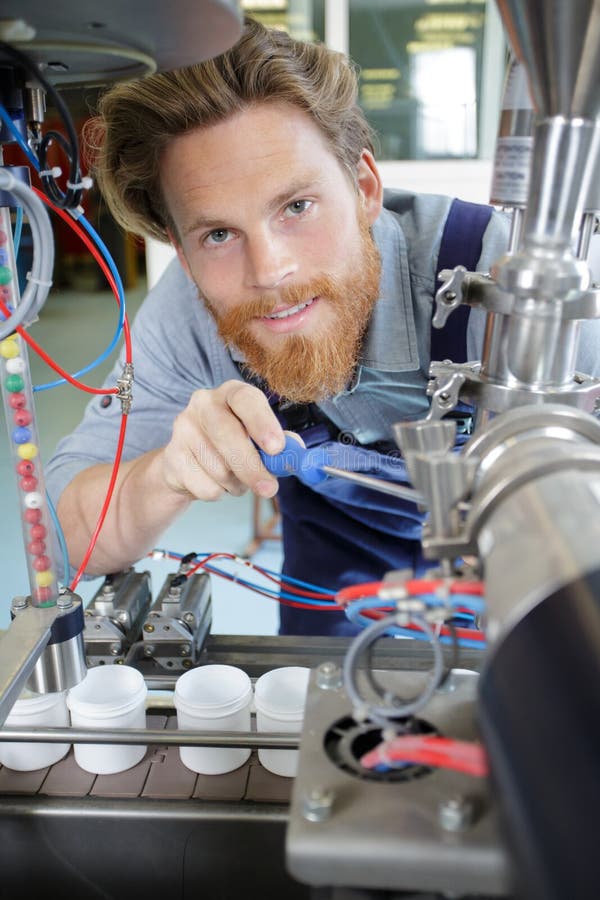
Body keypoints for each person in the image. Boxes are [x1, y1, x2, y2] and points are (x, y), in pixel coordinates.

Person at [45, 16, 600, 636]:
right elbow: (61, 542)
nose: (271, 272)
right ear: (178, 242)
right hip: (337, 605)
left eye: (296, 207)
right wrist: (167, 474)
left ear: (364, 187)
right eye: (219, 234)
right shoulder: (190, 314)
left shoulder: (507, 282)